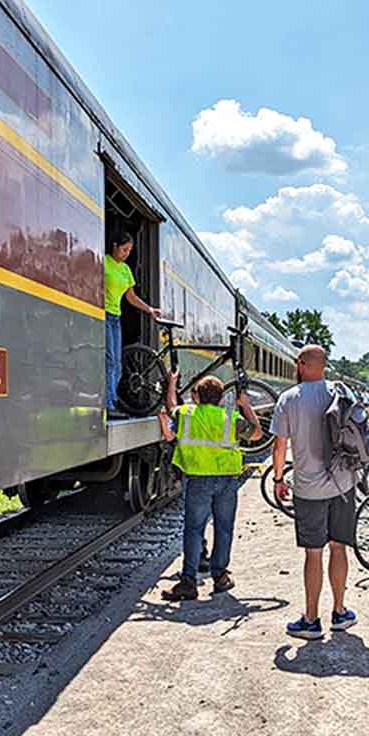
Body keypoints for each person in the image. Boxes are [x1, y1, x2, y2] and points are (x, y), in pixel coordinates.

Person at [272, 345, 357, 639]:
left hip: (308, 489)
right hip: (343, 484)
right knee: (338, 547)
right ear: (324, 365)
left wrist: (279, 478)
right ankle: (340, 611)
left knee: (313, 553)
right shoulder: (340, 391)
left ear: (301, 365)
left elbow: (280, 445)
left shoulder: (288, 399)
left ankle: (310, 620)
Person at [158, 372, 262, 600]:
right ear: (221, 398)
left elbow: (171, 405)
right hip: (227, 481)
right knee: (224, 528)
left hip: (198, 480)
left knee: (194, 529)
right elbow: (257, 434)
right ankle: (220, 576)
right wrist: (246, 406)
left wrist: (172, 383)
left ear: (197, 397)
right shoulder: (230, 418)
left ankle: (188, 582)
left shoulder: (186, 414)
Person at [105, 232, 161, 419]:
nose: (126, 254)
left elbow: (131, 297)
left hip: (115, 317)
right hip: (102, 314)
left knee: (118, 364)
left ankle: (112, 401)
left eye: (129, 250)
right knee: (111, 361)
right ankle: (109, 404)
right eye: (124, 249)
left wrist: (149, 310)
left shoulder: (126, 270)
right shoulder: (103, 262)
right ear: (114, 246)